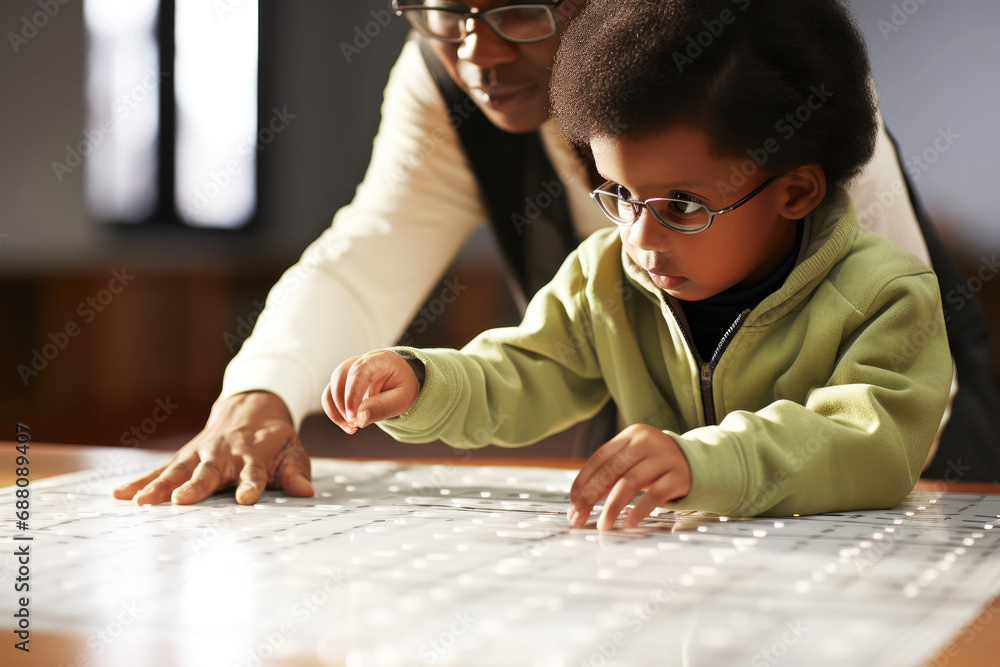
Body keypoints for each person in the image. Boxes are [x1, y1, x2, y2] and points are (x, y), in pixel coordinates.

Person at [112, 0, 998, 508]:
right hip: (661, 472)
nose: (475, 53)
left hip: (893, 456)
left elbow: (883, 410)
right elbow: (383, 260)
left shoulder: (767, 68)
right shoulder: (605, 274)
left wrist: (720, 462)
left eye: (519, 9)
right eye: (443, 10)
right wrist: (285, 388)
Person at [322, 0, 953, 530]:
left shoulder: (887, 295)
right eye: (621, 195)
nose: (642, 238)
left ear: (795, 192)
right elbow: (523, 371)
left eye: (683, 205)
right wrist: (422, 383)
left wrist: (705, 464)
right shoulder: (605, 276)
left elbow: (871, 446)